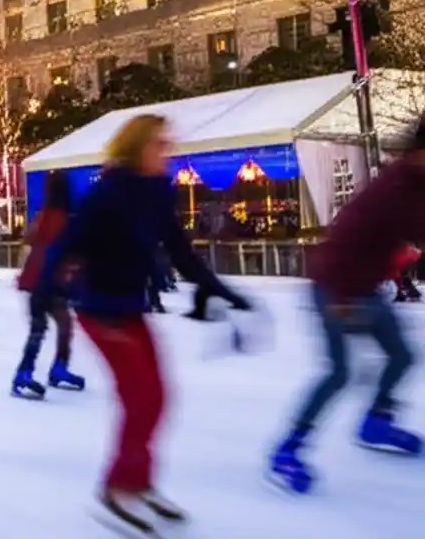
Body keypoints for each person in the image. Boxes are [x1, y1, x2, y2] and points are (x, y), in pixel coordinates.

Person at [34, 114, 253, 535]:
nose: (166, 151)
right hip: (98, 307)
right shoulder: (109, 192)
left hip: (130, 307)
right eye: (159, 143)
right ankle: (117, 488)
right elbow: (66, 243)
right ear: (138, 147)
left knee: (157, 397)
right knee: (139, 398)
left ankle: (140, 480)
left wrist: (221, 290)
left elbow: (180, 251)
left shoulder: (156, 192)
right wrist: (45, 292)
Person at [269, 119, 425, 494]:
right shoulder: (397, 189)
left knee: (401, 356)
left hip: (365, 287)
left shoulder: (413, 183)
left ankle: (377, 420)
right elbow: (350, 238)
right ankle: (287, 450)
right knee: (338, 373)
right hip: (335, 287)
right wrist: (338, 300)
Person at [11, 170, 83, 399]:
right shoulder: (63, 218)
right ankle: (53, 369)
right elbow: (66, 250)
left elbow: (30, 241)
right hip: (49, 280)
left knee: (42, 328)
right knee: (59, 325)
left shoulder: (43, 215)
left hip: (37, 279)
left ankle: (27, 372)